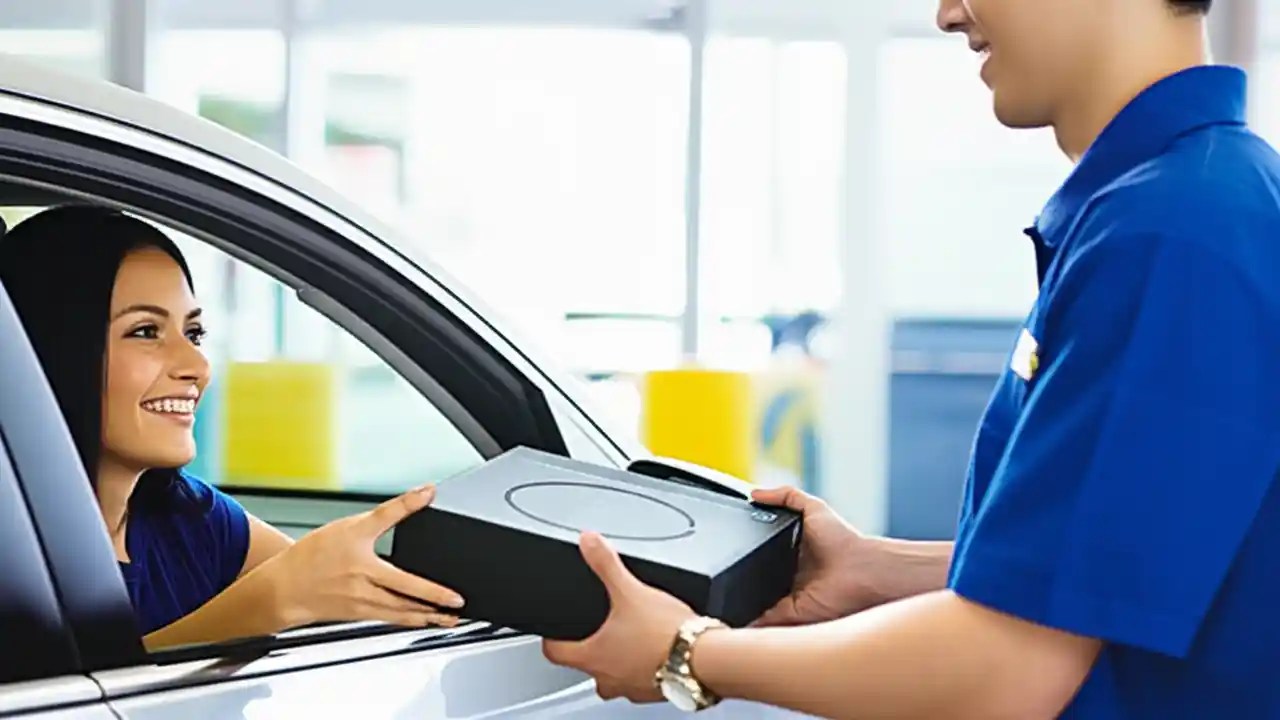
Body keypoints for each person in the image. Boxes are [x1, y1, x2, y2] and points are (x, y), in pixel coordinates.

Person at [543, 0, 1280, 717]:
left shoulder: (1171, 232)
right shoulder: (1202, 197)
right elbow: (1135, 562)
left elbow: (1007, 673)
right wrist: (876, 570)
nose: (947, 13)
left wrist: (687, 653)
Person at [0, 204, 465, 652]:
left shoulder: (189, 518)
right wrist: (269, 602)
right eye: (145, 332)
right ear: (51, 350)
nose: (197, 365)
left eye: (194, 334)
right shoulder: (13, 557)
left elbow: (354, 595)